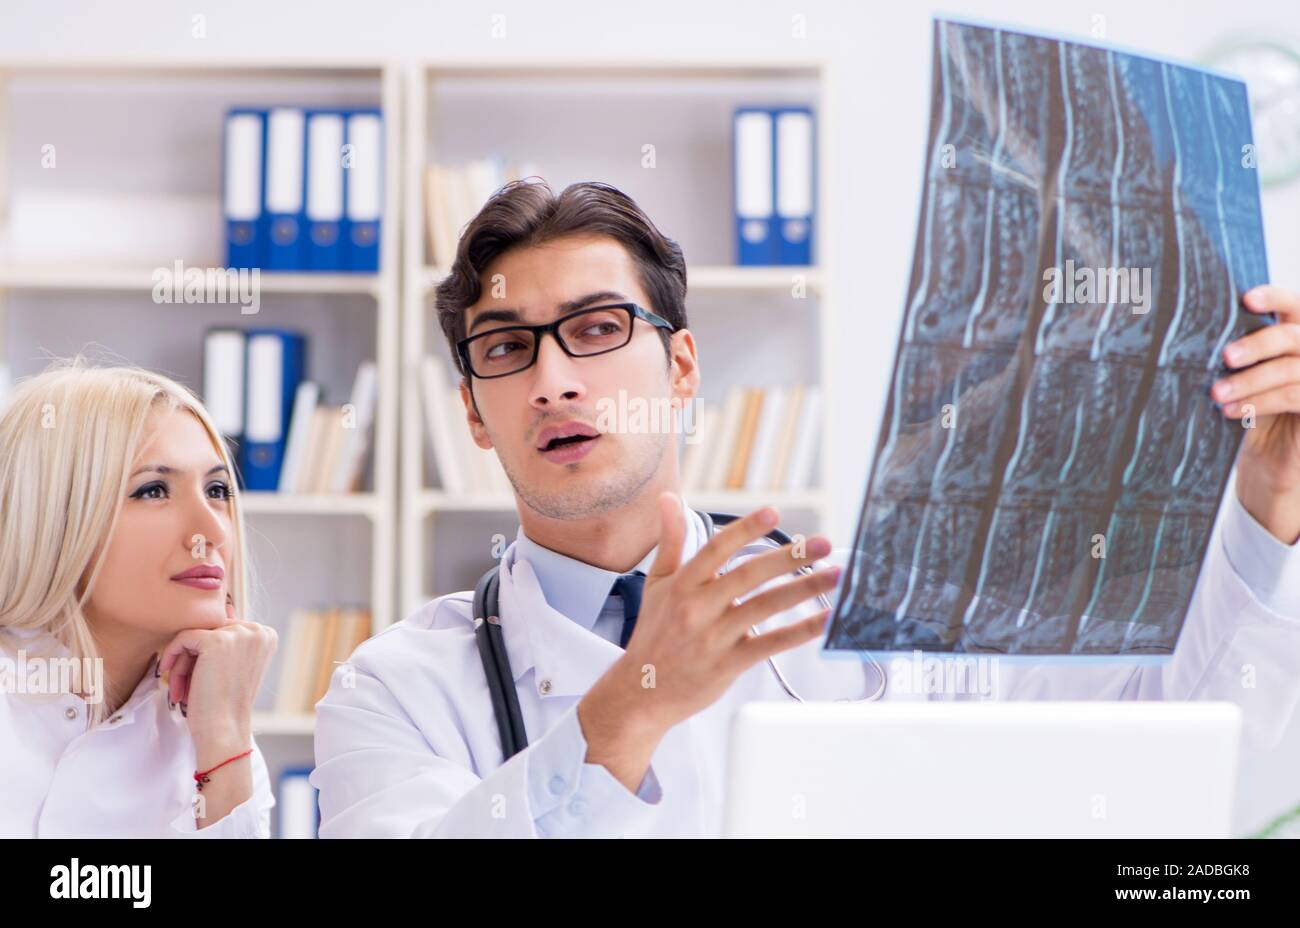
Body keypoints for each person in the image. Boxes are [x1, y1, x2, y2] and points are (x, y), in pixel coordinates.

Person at [312, 180, 1300, 837]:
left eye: (598, 328)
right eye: (504, 348)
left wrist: (1268, 501)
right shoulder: (391, 690)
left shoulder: (873, 614)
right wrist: (632, 703)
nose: (554, 380)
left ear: (682, 366)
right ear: (474, 415)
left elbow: (1164, 745)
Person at [0, 360, 278, 837]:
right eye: (153, 490)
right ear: (53, 520)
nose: (210, 530)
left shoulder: (216, 731)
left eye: (216, 490)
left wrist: (227, 737)